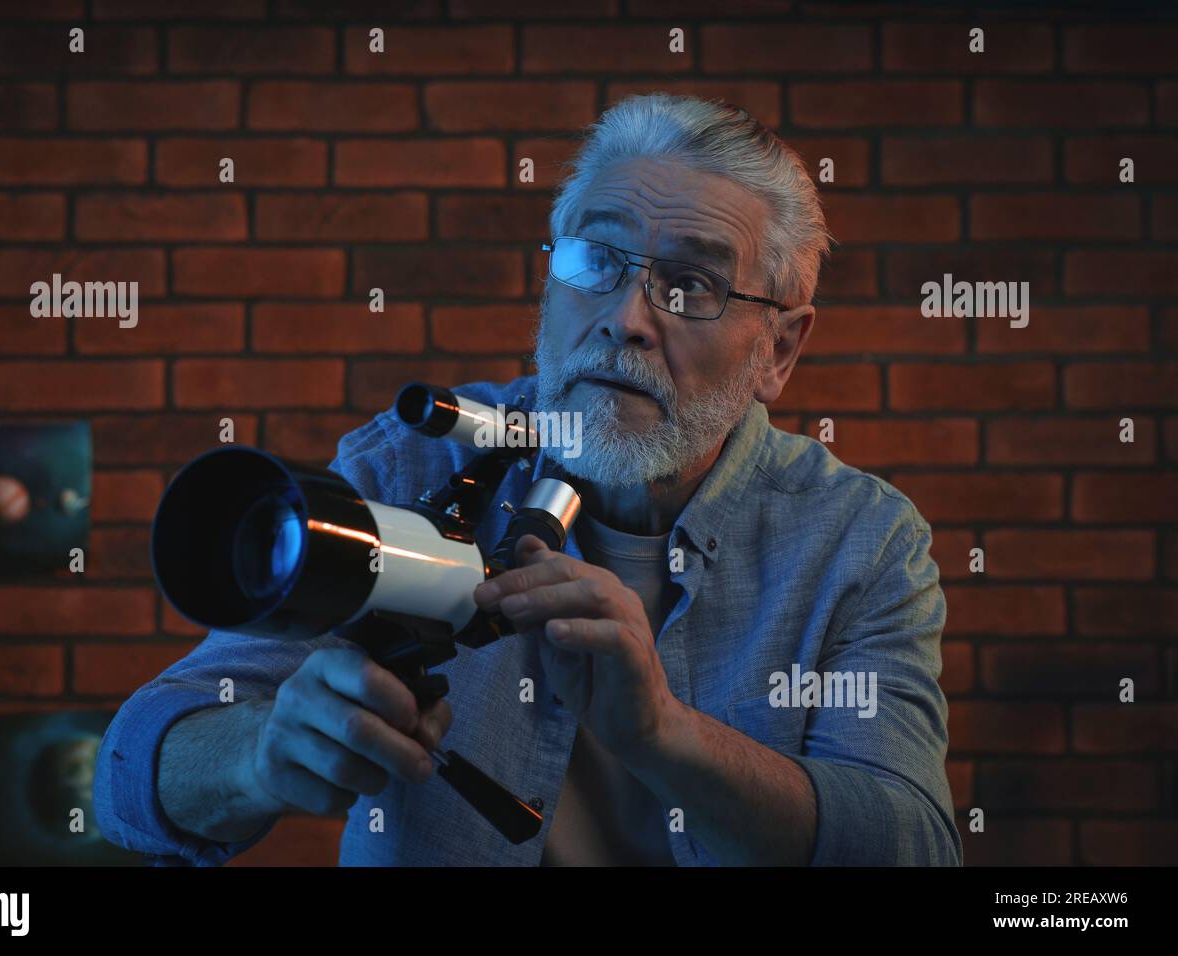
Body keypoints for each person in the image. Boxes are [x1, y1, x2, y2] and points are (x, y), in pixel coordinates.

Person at [93, 93, 962, 866]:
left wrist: (663, 735)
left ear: (780, 349)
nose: (626, 320)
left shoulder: (860, 541)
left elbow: (910, 842)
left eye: (691, 285)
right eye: (597, 261)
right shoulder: (414, 463)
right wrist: (257, 755)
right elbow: (128, 779)